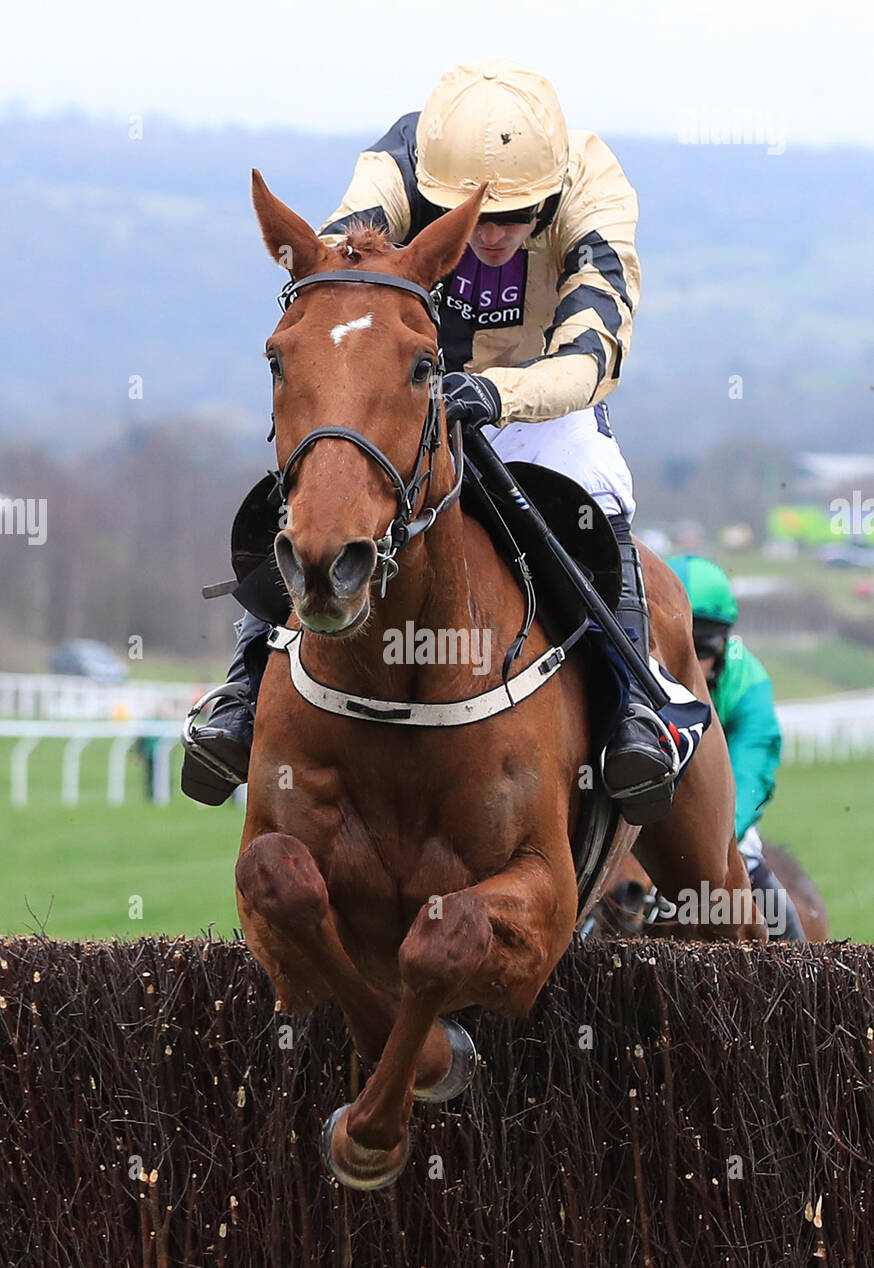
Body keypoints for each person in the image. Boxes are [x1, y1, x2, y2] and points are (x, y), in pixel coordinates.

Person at [183, 59, 681, 822]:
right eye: (476, 217)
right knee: (314, 481)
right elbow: (336, 259)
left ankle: (632, 707)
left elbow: (594, 351)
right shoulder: (401, 162)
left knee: (593, 481)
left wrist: (499, 393)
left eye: (516, 219)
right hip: (410, 386)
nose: (493, 236)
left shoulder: (593, 183)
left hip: (545, 398)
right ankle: (244, 686)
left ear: (550, 193)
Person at [666, 554, 805, 940]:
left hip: (722, 831)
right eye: (677, 646)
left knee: (785, 934)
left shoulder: (749, 683)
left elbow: (750, 778)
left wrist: (709, 845)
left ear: (725, 643)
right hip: (632, 828)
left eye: (702, 649)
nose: (691, 664)